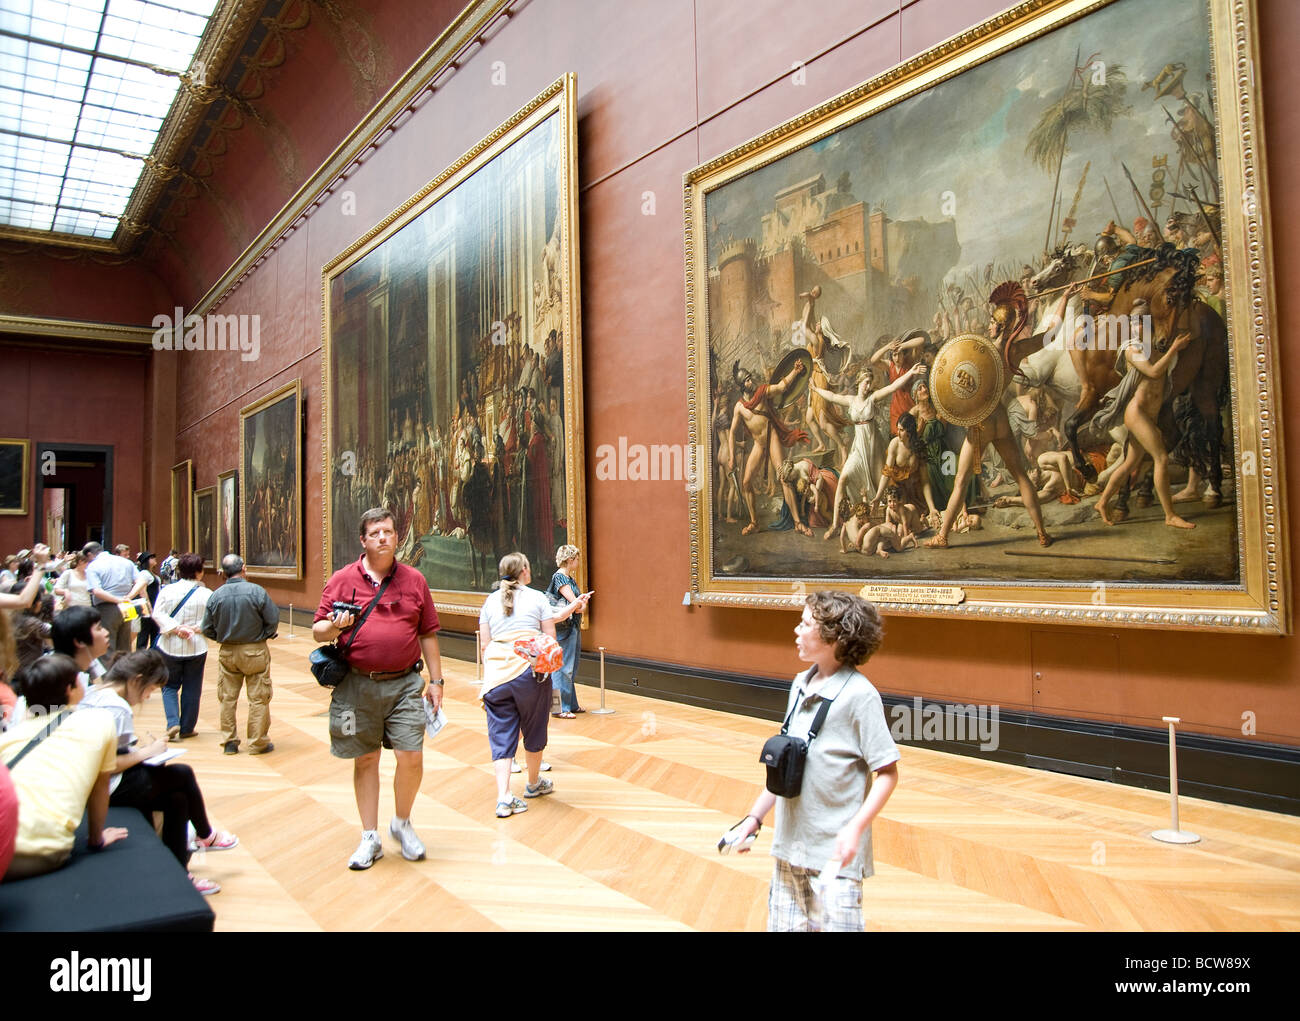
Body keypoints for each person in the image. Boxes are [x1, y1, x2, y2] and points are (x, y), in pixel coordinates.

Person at [725, 591, 899, 932]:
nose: (796, 630)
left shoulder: (860, 696)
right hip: (790, 849)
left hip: (835, 856)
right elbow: (787, 767)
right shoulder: (799, 685)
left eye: (805, 624)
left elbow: (888, 774)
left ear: (835, 637)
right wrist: (753, 819)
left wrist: (855, 829)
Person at [313, 508, 444, 870]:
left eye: (388, 531)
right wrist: (334, 627)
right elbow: (318, 630)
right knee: (366, 758)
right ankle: (369, 836)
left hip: (405, 683)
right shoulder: (342, 579)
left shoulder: (415, 580)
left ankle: (401, 822)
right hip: (357, 683)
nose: (383, 537)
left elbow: (427, 632)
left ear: (396, 537)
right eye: (375, 533)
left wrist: (437, 681)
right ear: (363, 540)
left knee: (410, 755)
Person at [79, 649, 236, 895]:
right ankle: (205, 836)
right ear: (135, 680)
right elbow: (108, 765)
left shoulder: (93, 693)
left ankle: (180, 871)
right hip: (106, 785)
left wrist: (141, 750)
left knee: (177, 799)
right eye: (149, 689)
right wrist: (146, 752)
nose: (146, 697)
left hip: (95, 780)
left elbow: (111, 753)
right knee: (182, 774)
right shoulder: (118, 707)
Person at [479, 552, 588, 818]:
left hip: (495, 675)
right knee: (534, 727)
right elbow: (549, 640)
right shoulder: (537, 598)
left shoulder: (489, 602)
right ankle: (533, 783)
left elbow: (485, 645)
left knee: (501, 734)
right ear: (525, 571)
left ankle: (504, 797)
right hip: (529, 673)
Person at [1, 654, 125, 880]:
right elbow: (101, 786)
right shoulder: (100, 720)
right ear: (70, 689)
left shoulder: (10, 737)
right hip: (38, 853)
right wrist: (96, 839)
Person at [201, 554, 279, 755]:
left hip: (227, 651)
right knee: (258, 698)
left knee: (227, 698)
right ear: (243, 568)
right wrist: (264, 634)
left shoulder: (216, 595)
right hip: (254, 649)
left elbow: (206, 628)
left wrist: (222, 637)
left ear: (222, 572)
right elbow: (272, 619)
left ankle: (229, 741)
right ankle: (257, 742)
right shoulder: (256, 591)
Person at [152, 553, 211, 740]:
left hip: (170, 645)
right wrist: (196, 628)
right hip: (197, 646)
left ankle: (172, 722)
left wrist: (176, 628)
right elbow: (212, 620)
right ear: (199, 572)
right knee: (192, 687)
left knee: (169, 686)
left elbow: (157, 614)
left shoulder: (167, 591)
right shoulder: (207, 594)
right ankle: (187, 728)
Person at [546, 544, 591, 718]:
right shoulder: (561, 578)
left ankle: (570, 704)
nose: (578, 562)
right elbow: (576, 604)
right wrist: (582, 602)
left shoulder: (568, 579)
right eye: (577, 559)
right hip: (564, 627)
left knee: (571, 666)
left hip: (571, 626)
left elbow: (579, 608)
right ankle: (560, 708)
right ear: (570, 560)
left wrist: (581, 603)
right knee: (562, 667)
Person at [82, 541, 138, 655]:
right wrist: (129, 596)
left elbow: (97, 591)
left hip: (107, 606)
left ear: (89, 555)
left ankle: (109, 673)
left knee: (107, 645)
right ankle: (126, 672)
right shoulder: (125, 561)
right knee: (125, 644)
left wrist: (118, 600)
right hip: (127, 606)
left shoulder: (93, 565)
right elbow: (142, 581)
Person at [50, 604, 111, 690]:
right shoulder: (60, 681)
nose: (106, 632)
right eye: (99, 628)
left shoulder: (81, 668)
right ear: (80, 641)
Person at [133, 551, 161, 649]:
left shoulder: (152, 573)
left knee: (154, 631)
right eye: (151, 558)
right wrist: (149, 606)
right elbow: (142, 591)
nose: (154, 559)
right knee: (144, 633)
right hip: (148, 607)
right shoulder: (145, 573)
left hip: (153, 606)